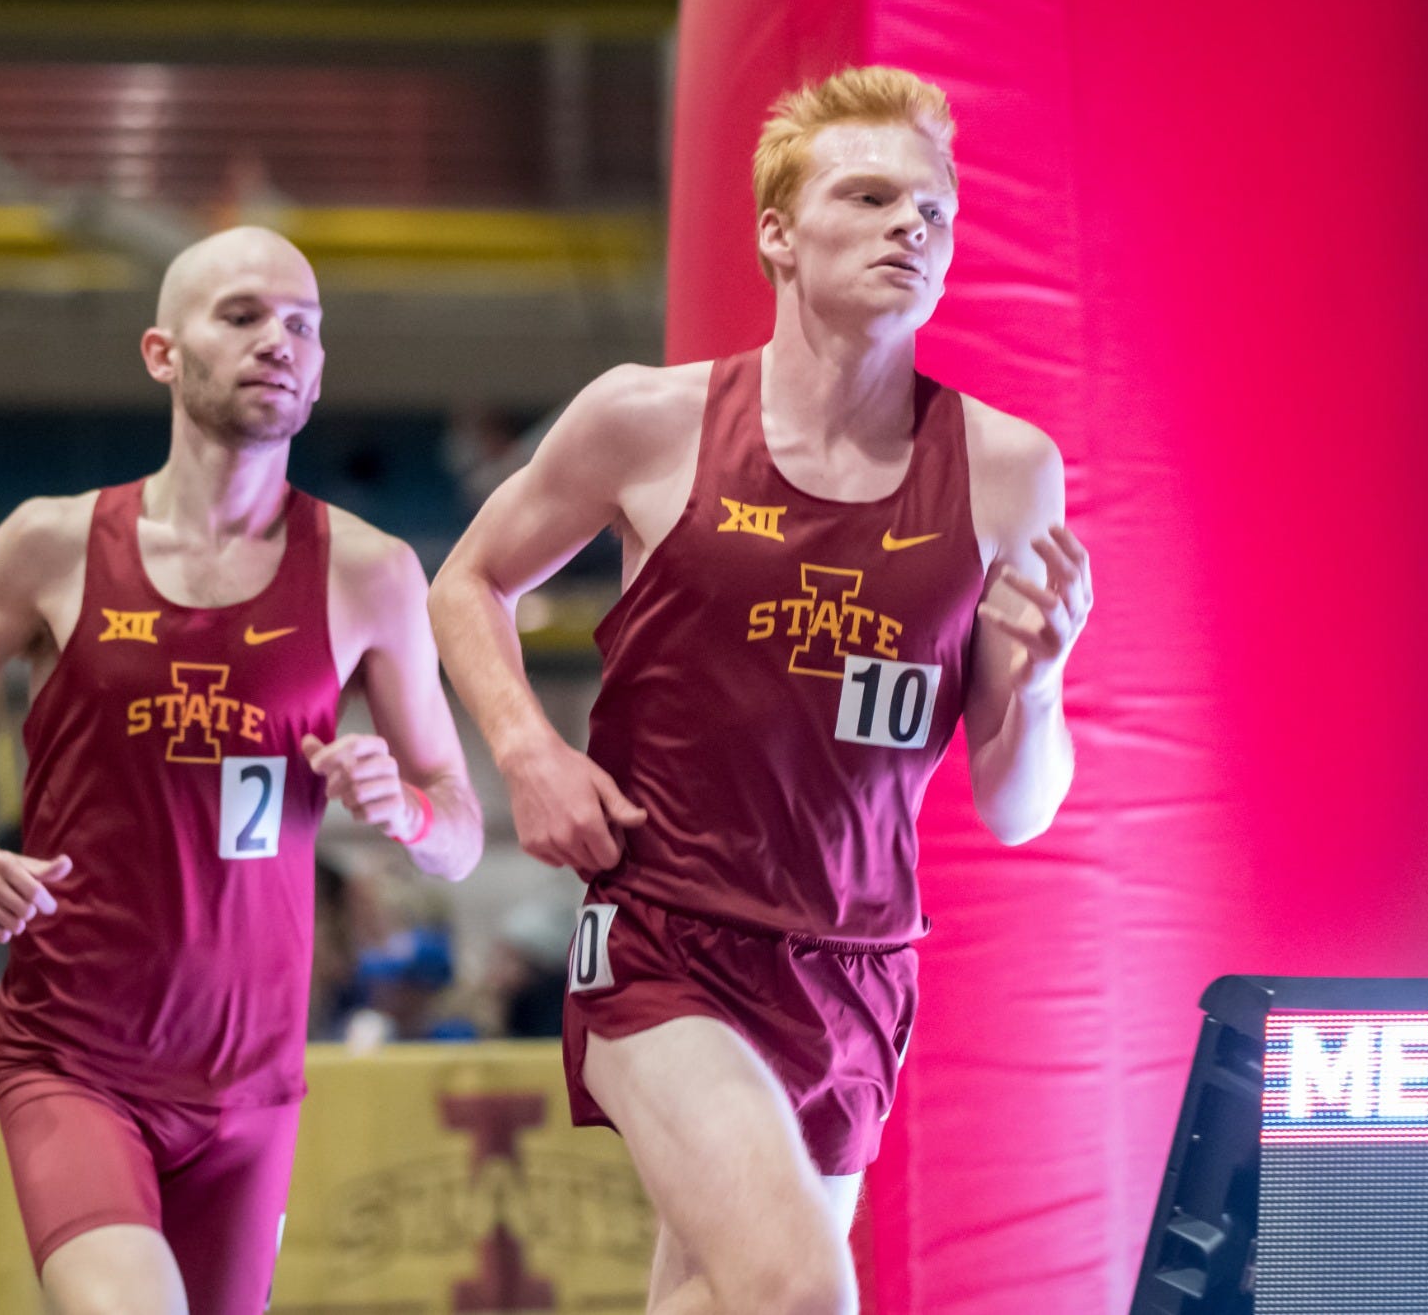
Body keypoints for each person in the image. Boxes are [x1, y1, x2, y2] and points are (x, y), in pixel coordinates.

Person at [430, 67, 1090, 1315]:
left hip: (856, 964)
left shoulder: (1006, 471)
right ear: (777, 233)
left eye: (937, 211)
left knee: (726, 1300)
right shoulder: (648, 420)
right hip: (665, 933)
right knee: (799, 1290)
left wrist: (1041, 681)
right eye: (871, 195)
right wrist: (528, 753)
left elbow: (1014, 807)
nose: (915, 227)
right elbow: (464, 585)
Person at [0, 226, 483, 1315]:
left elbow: (463, 827)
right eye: (241, 316)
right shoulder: (53, 545)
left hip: (253, 1088)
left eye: (301, 324)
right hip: (77, 1059)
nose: (277, 343)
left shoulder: (372, 572)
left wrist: (403, 813)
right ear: (163, 352)